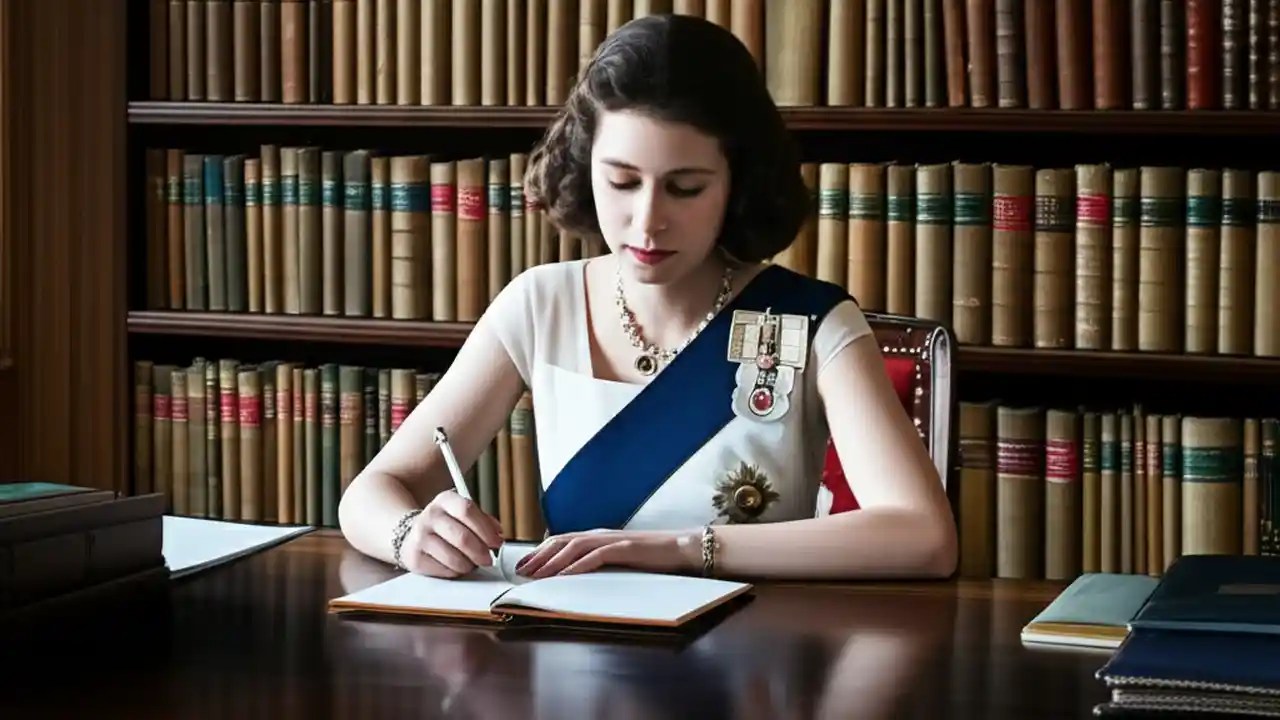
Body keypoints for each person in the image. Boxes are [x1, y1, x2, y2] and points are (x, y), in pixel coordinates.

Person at [338, 13, 957, 582]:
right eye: (622, 181)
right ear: (587, 169)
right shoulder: (538, 305)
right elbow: (372, 492)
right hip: (575, 663)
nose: (647, 221)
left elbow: (924, 535)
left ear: (737, 183)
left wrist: (682, 549)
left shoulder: (814, 323)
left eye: (684, 188)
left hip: (754, 665)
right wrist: (410, 534)